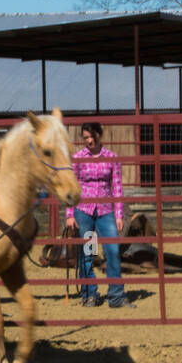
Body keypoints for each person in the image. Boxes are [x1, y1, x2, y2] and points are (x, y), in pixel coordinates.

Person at [65, 122, 125, 307]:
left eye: (92, 136)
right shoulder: (77, 158)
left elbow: (117, 187)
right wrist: (70, 214)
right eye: (86, 138)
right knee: (87, 251)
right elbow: (71, 187)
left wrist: (119, 214)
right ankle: (90, 294)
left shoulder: (112, 158)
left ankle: (116, 296)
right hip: (84, 211)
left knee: (112, 250)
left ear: (99, 135)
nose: (89, 141)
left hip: (106, 210)